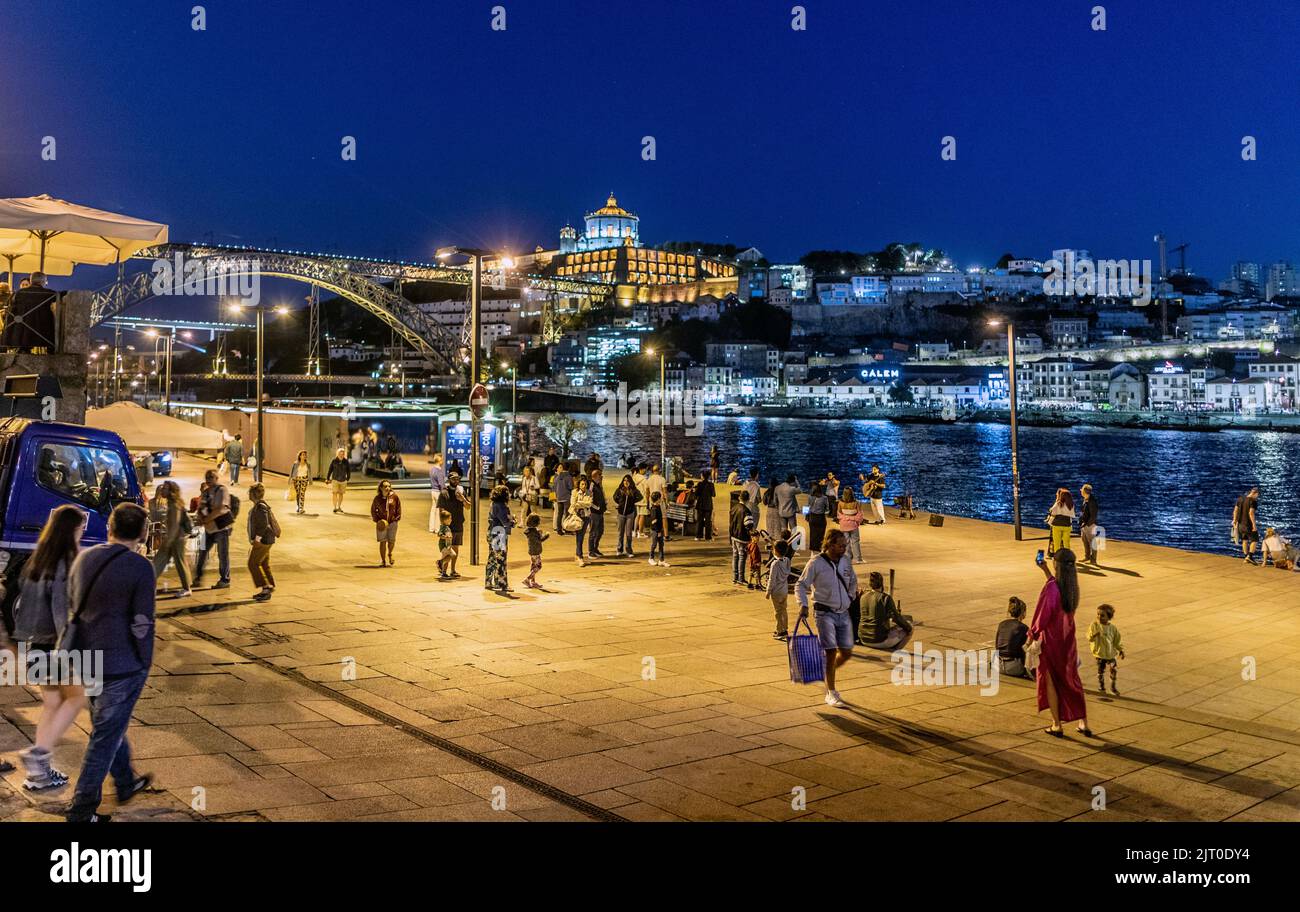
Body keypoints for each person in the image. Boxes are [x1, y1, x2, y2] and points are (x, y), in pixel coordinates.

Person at [63, 503, 155, 823]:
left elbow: (71, 603)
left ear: (109, 527)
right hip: (122, 663)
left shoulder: (85, 558)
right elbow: (141, 622)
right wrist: (145, 660)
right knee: (105, 736)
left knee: (108, 724)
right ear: (142, 532)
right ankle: (81, 809)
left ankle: (126, 782)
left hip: (86, 657)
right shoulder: (140, 567)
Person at [12, 505, 87, 790]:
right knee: (77, 698)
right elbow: (61, 612)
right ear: (72, 530)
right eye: (80, 528)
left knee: (53, 702)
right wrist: (68, 650)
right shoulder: (64, 563)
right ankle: (39, 754)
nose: (82, 533)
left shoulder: (36, 559)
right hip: (54, 644)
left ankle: (39, 774)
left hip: (33, 644)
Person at [1028, 548, 1092, 738]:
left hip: (1052, 641)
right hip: (1068, 642)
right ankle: (1083, 722)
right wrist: (1045, 570)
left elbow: (1043, 616)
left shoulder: (1052, 588)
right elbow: (1055, 585)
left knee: (1050, 681)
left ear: (1057, 564)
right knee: (1071, 679)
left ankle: (1057, 724)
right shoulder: (1072, 587)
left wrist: (1031, 634)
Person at [795, 528, 859, 708]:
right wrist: (803, 604)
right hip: (824, 613)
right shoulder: (816, 563)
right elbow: (800, 584)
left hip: (843, 613)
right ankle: (831, 692)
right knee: (831, 652)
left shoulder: (845, 561)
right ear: (830, 545)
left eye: (845, 546)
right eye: (840, 546)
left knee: (845, 653)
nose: (844, 549)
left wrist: (851, 596)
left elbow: (852, 580)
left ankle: (825, 672)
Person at [150, 480, 193, 597]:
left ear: (171, 491)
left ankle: (187, 588)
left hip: (177, 539)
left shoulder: (175, 505)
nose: (162, 490)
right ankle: (149, 586)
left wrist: (168, 541)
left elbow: (174, 524)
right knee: (158, 562)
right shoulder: (171, 503)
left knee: (179, 562)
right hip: (172, 538)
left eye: (165, 488)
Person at [0, 271, 59, 352]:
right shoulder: (50, 294)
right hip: (43, 334)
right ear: (43, 282)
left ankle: (23, 349)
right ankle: (51, 350)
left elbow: (11, 312)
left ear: (31, 281)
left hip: (22, 333)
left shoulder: (18, 293)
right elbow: (61, 296)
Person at [194, 468, 232, 589]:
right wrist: (200, 517)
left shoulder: (222, 490)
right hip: (208, 529)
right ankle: (198, 577)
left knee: (222, 554)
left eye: (211, 477)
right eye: (207, 477)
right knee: (202, 552)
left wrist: (206, 519)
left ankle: (225, 579)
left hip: (221, 528)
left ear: (217, 478)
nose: (209, 479)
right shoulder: (205, 492)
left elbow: (220, 509)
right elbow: (201, 508)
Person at [858, 571, 912, 650]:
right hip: (878, 639)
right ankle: (894, 651)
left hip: (863, 638)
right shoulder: (885, 598)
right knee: (909, 628)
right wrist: (908, 628)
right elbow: (897, 618)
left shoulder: (863, 597)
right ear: (881, 584)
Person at [246, 482, 280, 602]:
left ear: (253, 494)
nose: (248, 494)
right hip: (267, 539)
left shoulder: (260, 506)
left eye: (249, 492)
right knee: (264, 564)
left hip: (263, 540)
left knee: (252, 563)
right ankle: (269, 586)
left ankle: (266, 588)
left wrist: (257, 539)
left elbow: (263, 524)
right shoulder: (260, 505)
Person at [1088, 603, 1125, 695]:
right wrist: (1094, 635)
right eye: (1098, 614)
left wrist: (1121, 650)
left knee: (1114, 669)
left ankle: (1113, 687)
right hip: (1100, 654)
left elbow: (1117, 640)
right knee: (1101, 671)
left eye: (1102, 615)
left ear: (1109, 617)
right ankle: (1101, 686)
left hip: (1111, 654)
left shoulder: (1113, 628)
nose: (1099, 617)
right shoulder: (1094, 625)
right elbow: (1089, 637)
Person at [437, 473, 469, 578]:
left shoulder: (461, 491)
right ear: (449, 479)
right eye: (453, 479)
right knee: (447, 549)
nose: (456, 480)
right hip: (448, 525)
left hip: (459, 523)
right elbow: (441, 510)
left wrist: (463, 498)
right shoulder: (444, 493)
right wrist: (443, 525)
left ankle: (453, 570)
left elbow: (468, 507)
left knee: (456, 548)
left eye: (457, 478)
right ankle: (443, 571)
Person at [486, 484, 515, 593]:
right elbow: (506, 522)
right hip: (499, 533)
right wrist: (513, 521)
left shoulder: (493, 504)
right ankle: (502, 583)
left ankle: (488, 581)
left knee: (492, 558)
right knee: (501, 559)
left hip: (491, 531)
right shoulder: (502, 506)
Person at [995, 597, 1033, 679]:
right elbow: (1022, 651)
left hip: (998, 665)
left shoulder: (1001, 624)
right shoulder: (1023, 627)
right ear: (1023, 613)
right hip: (1014, 668)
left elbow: (997, 647)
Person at [766, 538, 792, 640]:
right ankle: (785, 628)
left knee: (777, 611)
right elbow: (788, 572)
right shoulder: (787, 561)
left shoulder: (775, 564)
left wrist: (768, 591)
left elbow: (772, 579)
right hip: (784, 589)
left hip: (776, 591)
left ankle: (780, 630)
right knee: (784, 610)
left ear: (775, 551)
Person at [371, 480, 401, 567]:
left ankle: (390, 554)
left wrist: (396, 519)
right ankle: (383, 560)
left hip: (392, 523)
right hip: (382, 523)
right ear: (381, 488)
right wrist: (377, 520)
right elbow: (373, 510)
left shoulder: (394, 497)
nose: (387, 488)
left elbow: (398, 508)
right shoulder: (377, 498)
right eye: (385, 486)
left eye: (389, 486)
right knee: (382, 541)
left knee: (391, 541)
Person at [730, 490, 755, 586]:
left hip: (734, 535)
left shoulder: (734, 508)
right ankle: (741, 578)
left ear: (739, 498)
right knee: (742, 556)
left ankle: (734, 577)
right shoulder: (746, 511)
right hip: (742, 537)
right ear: (748, 499)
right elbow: (749, 525)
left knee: (735, 555)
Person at [613, 473, 642, 557]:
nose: (626, 482)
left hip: (630, 514)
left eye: (628, 480)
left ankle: (629, 550)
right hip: (621, 513)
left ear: (630, 482)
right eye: (624, 480)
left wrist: (632, 502)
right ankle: (619, 549)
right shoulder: (620, 489)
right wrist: (620, 503)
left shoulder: (633, 490)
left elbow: (640, 497)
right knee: (620, 533)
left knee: (629, 533)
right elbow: (615, 497)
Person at [570, 476, 594, 566]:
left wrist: (579, 502)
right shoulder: (574, 492)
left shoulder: (589, 492)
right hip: (577, 516)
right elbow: (573, 504)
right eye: (582, 484)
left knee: (581, 536)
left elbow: (590, 504)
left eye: (585, 484)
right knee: (579, 536)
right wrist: (583, 503)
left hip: (586, 516)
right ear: (579, 484)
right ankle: (580, 556)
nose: (584, 486)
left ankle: (577, 555)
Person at [836, 488, 864, 564]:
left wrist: (845, 518)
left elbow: (839, 514)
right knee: (855, 541)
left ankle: (848, 557)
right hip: (853, 524)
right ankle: (858, 559)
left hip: (844, 524)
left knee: (846, 542)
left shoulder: (840, 503)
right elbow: (860, 515)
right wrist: (854, 519)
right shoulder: (856, 503)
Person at [1234, 487, 1261, 564]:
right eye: (1257, 495)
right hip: (1248, 524)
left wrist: (1235, 521)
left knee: (1244, 540)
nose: (1257, 497)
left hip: (1240, 524)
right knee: (1255, 540)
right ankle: (1250, 556)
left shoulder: (1240, 499)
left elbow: (1235, 510)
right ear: (1255, 493)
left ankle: (1246, 557)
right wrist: (1254, 525)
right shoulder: (1253, 501)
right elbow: (1251, 513)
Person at [1046, 487, 1075, 556]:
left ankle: (1057, 557)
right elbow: (1073, 515)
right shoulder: (1071, 505)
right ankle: (1068, 556)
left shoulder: (1058, 503)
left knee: (1057, 543)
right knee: (1066, 543)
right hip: (1067, 525)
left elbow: (1052, 511)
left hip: (1057, 525)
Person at [587, 467, 608, 558]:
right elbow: (589, 499)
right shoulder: (592, 485)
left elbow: (602, 495)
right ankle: (591, 551)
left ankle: (595, 548)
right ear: (595, 476)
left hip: (600, 512)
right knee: (593, 532)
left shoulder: (599, 485)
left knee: (600, 531)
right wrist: (597, 508)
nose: (601, 477)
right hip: (594, 513)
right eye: (600, 475)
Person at [805, 482, 829, 557]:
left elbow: (807, 506)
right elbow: (827, 509)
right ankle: (820, 550)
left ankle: (812, 552)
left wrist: (806, 515)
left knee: (813, 534)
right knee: (821, 535)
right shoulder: (824, 498)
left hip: (812, 517)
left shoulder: (810, 497)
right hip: (820, 517)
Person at [1079, 484, 1100, 564]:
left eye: (1082, 490)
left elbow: (1093, 515)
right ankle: (1087, 557)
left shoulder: (1092, 501)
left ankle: (1093, 560)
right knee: (1085, 541)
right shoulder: (1086, 499)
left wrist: (1087, 524)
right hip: (1085, 525)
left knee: (1092, 543)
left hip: (1090, 525)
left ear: (1084, 491)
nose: (1081, 492)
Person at [426, 453, 446, 531]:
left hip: (433, 491)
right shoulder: (439, 471)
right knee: (438, 511)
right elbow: (441, 484)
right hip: (438, 492)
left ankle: (431, 528)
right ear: (440, 460)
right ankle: (437, 528)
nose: (443, 461)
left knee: (433, 509)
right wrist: (444, 491)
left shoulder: (432, 469)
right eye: (442, 459)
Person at [327, 447, 351, 514]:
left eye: (343, 454)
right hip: (335, 479)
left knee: (341, 494)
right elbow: (330, 469)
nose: (341, 455)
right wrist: (327, 478)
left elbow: (348, 470)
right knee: (334, 493)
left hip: (343, 480)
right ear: (337, 454)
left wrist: (348, 478)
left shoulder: (346, 461)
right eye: (340, 454)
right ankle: (335, 507)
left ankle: (339, 507)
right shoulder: (334, 460)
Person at [647, 490, 668, 567]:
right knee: (654, 544)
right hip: (655, 530)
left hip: (659, 529)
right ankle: (651, 558)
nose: (661, 499)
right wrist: (658, 531)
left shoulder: (657, 507)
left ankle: (661, 560)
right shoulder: (654, 509)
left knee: (661, 545)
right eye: (660, 498)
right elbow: (654, 522)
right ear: (658, 499)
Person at [692, 472, 716, 541]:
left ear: (702, 477)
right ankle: (708, 537)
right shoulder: (711, 484)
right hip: (708, 505)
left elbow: (696, 494)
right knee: (708, 521)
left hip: (700, 504)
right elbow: (713, 494)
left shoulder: (700, 484)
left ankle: (698, 536)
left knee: (699, 521)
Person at [552, 462, 574, 535]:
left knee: (560, 514)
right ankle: (567, 529)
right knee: (567, 514)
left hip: (559, 498)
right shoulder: (568, 477)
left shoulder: (557, 477)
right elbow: (571, 487)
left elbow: (554, 487)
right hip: (567, 497)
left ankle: (559, 530)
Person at [290, 450, 312, 514]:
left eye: (305, 455)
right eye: (303, 455)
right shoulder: (296, 464)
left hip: (304, 480)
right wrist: (292, 479)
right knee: (298, 494)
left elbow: (309, 473)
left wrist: (310, 481)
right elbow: (292, 472)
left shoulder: (308, 464)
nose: (304, 456)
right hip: (296, 480)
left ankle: (301, 508)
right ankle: (298, 506)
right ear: (299, 456)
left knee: (302, 494)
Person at [634, 465, 651, 538]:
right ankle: (640, 532)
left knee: (637, 515)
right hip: (643, 500)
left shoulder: (634, 477)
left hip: (636, 499)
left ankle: (635, 532)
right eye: (645, 469)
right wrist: (648, 500)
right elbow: (647, 491)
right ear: (642, 469)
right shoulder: (644, 479)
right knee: (642, 516)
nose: (646, 471)